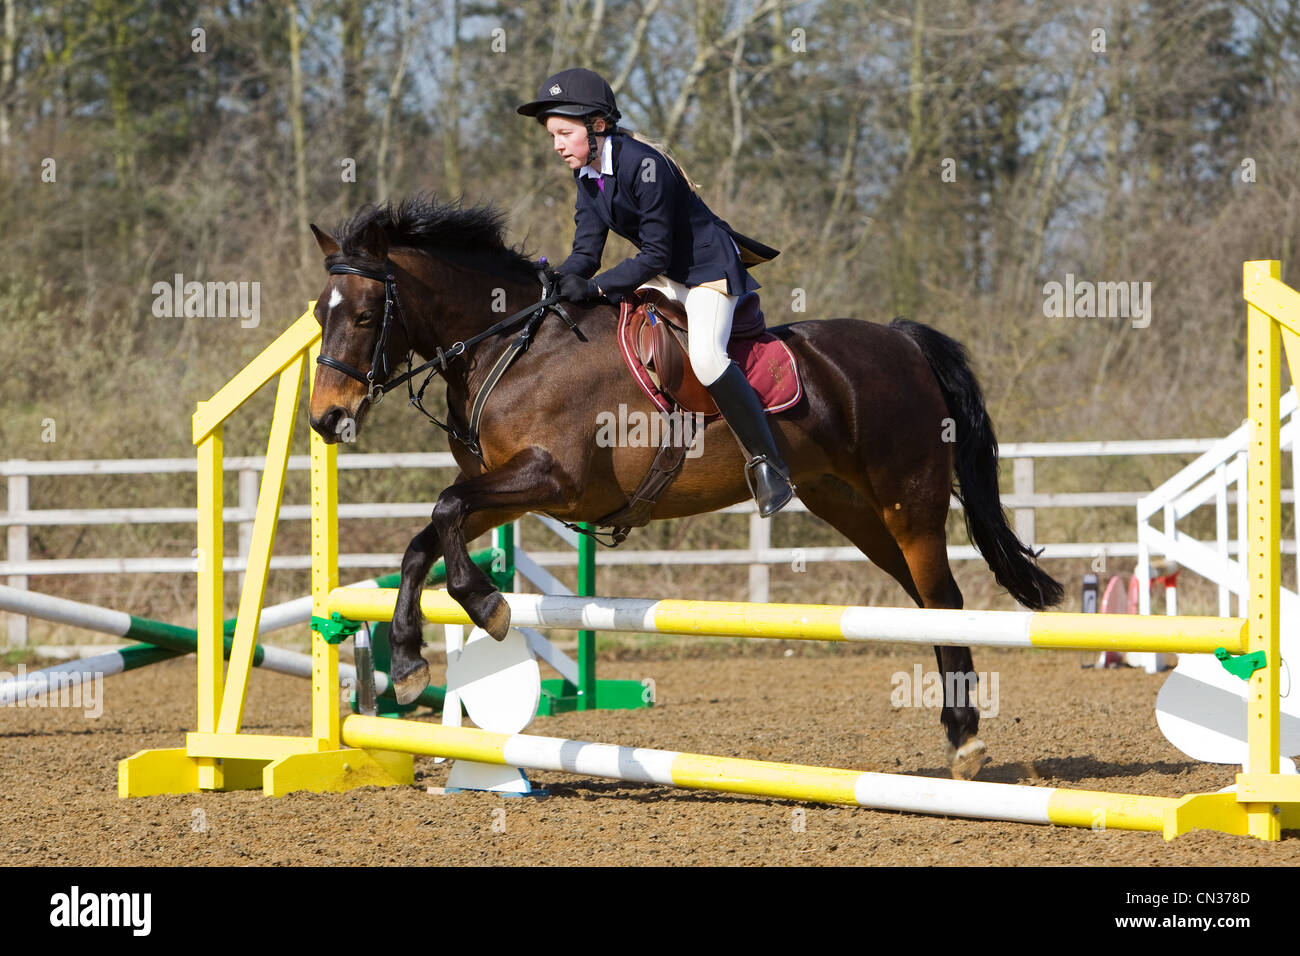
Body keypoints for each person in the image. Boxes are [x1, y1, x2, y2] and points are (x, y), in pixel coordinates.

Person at [517, 67, 795, 517]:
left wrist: (595, 286)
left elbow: (655, 253)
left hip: (706, 270)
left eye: (565, 133)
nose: (558, 146)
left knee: (706, 356)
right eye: (553, 136)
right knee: (613, 331)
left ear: (597, 125)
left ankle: (769, 464)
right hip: (664, 271)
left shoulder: (643, 164)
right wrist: (553, 284)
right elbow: (586, 252)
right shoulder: (588, 173)